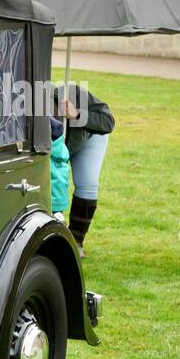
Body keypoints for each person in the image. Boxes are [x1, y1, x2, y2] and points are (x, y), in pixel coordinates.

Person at [60, 84, 115, 254]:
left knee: (87, 184)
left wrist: (77, 115)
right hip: (58, 147)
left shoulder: (74, 93)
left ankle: (76, 241)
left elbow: (108, 121)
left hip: (89, 140)